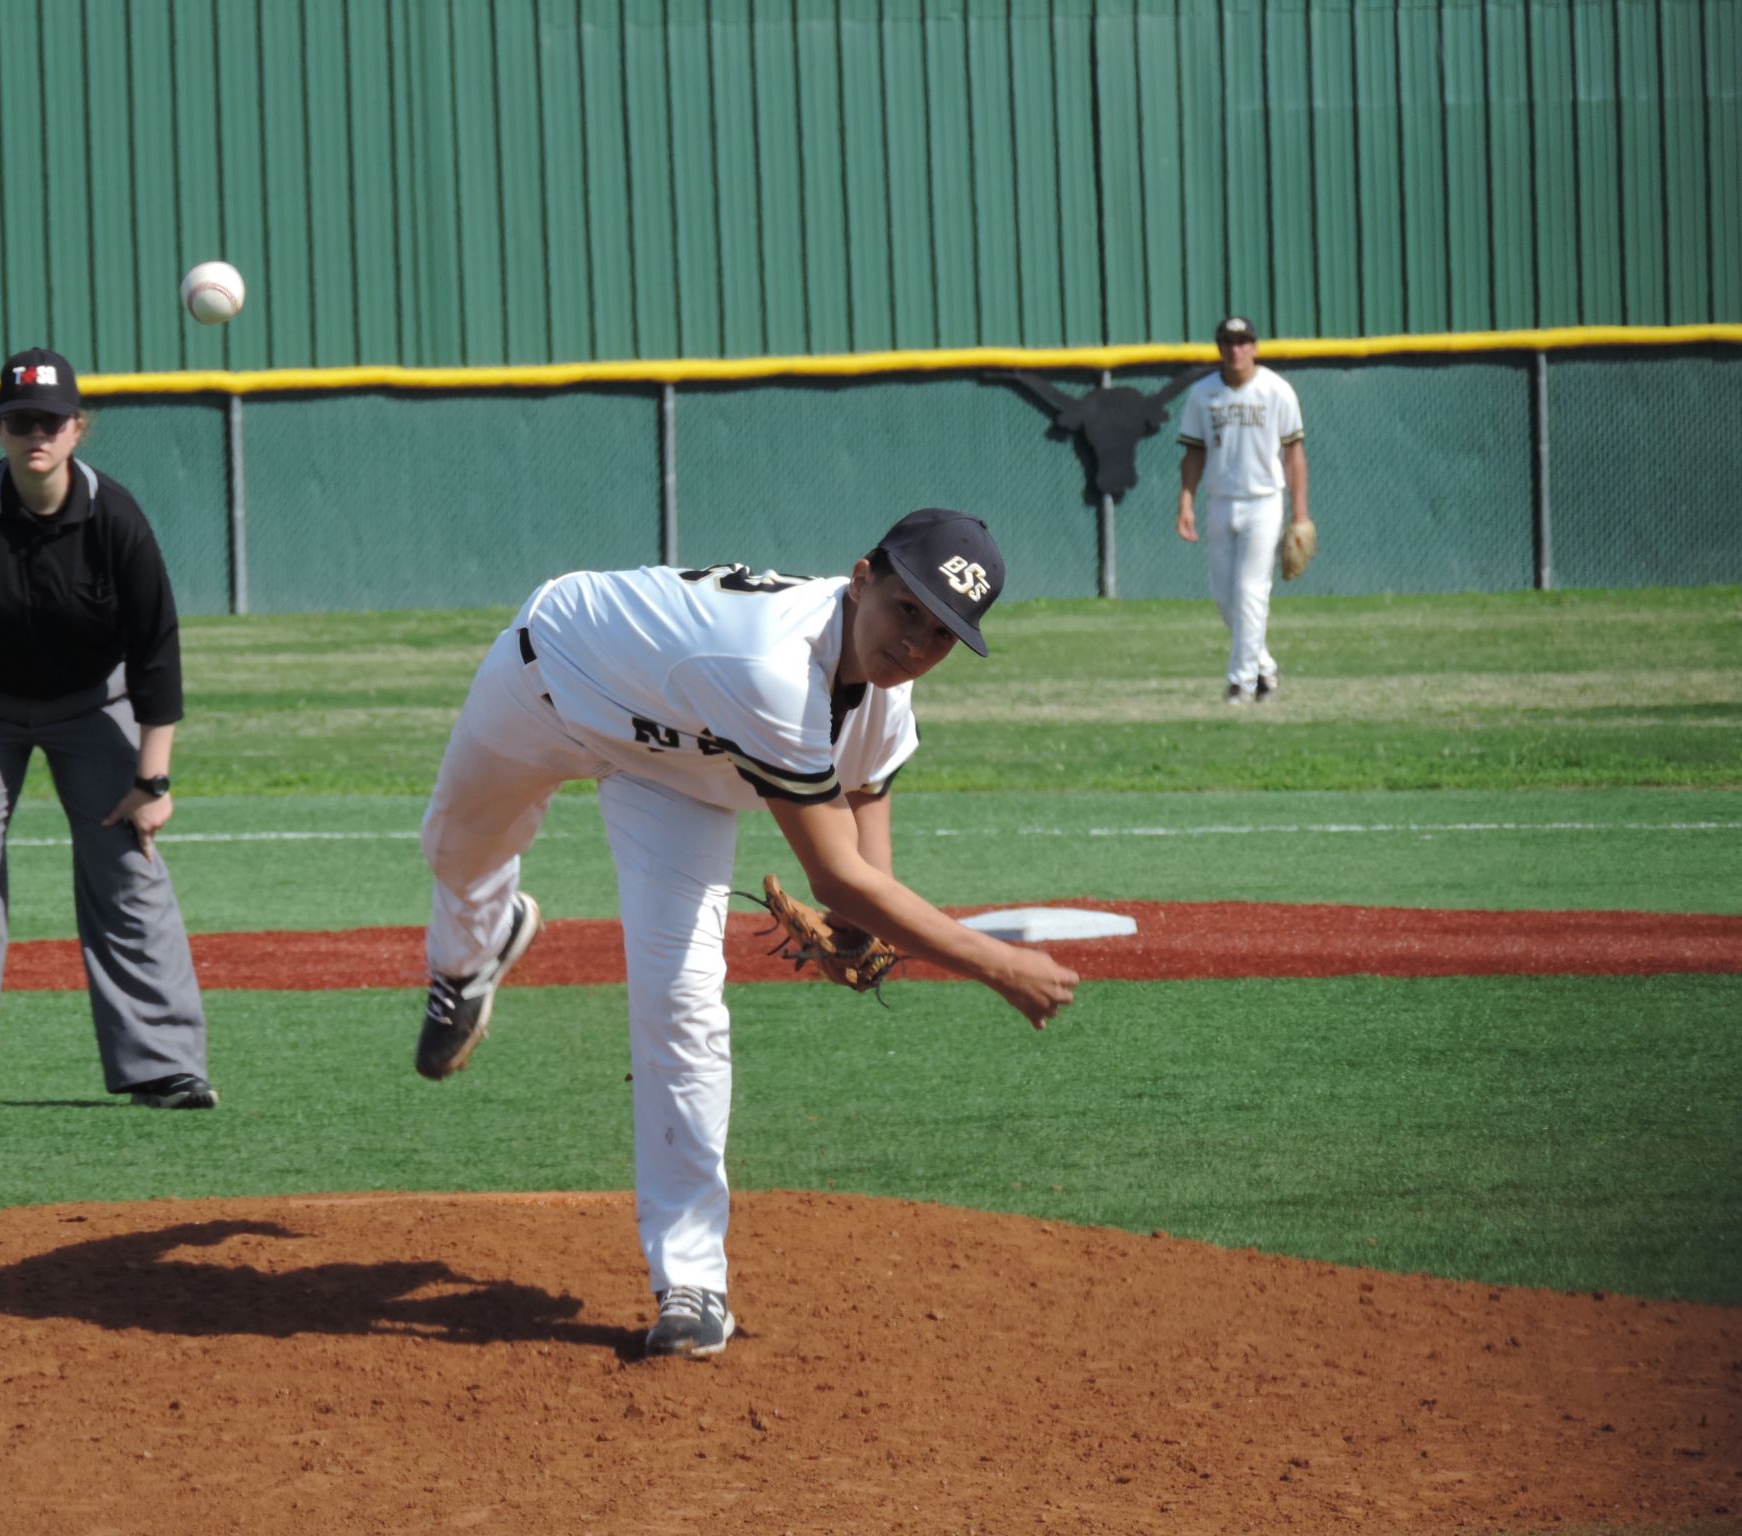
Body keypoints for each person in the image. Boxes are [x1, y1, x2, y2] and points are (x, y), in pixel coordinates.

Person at [414, 510, 1082, 1358]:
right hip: (556, 676)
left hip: (687, 773)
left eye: (942, 632)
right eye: (907, 607)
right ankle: (476, 948)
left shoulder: (884, 679)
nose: (915, 642)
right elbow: (836, 875)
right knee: (456, 848)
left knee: (681, 999)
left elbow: (866, 797)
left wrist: (858, 924)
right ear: (862, 575)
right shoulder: (768, 665)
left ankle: (691, 1282)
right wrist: (994, 965)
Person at [0, 348, 216, 1113]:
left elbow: (158, 655)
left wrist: (152, 782)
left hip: (95, 702)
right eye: (21, 419)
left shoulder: (115, 516)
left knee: (128, 864)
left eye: (51, 420)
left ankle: (165, 1065)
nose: (37, 433)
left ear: (77, 429)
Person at [1174, 315, 1310, 703]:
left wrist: (1299, 514)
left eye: (1243, 341)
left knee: (1251, 591)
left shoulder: (1276, 390)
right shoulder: (1203, 394)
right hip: (1220, 500)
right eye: (1228, 342)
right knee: (1223, 595)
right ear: (1219, 347)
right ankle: (1265, 669)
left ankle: (1242, 682)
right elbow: (1194, 451)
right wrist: (1186, 500)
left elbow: (1295, 454)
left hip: (1265, 501)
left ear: (1254, 347)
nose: (1236, 349)